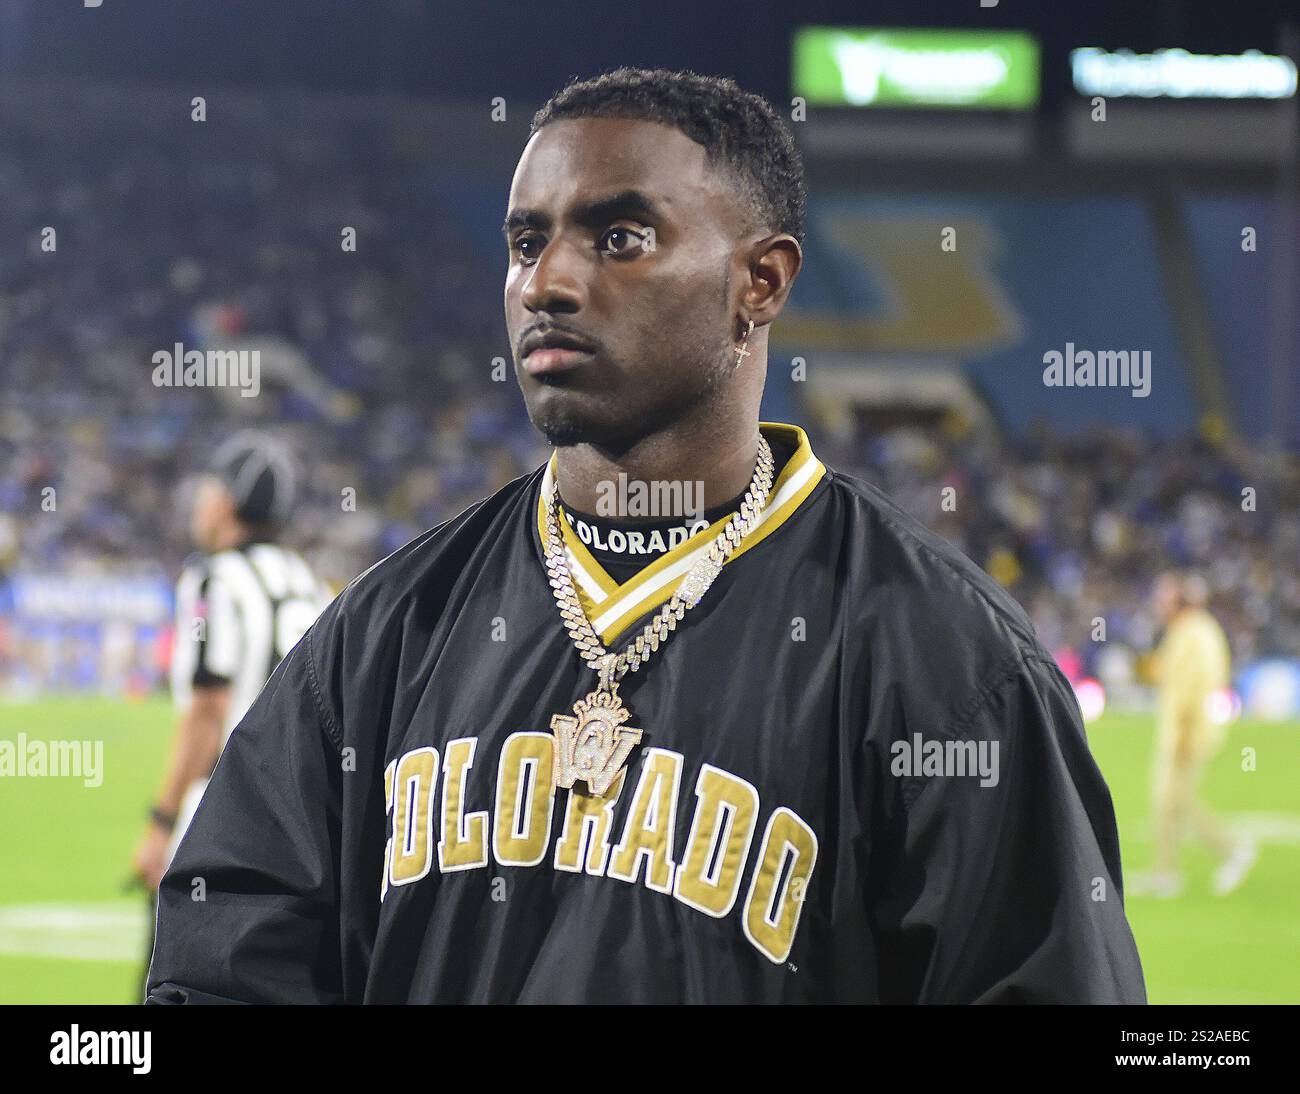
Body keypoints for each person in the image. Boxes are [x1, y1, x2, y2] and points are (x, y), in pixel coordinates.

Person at [146, 68, 1144, 1004]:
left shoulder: (947, 662)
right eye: (527, 242)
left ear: (760, 281)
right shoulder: (383, 633)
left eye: (618, 237)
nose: (547, 282)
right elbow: (224, 964)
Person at [132, 433, 331, 991]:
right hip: (299, 823)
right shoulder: (310, 583)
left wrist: (161, 821)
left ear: (230, 500)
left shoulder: (212, 579)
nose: (199, 501)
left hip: (220, 814)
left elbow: (207, 708)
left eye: (209, 488)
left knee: (175, 984)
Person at [1131, 572, 1256, 898]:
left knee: (1173, 799)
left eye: (1163, 598)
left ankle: (1230, 851)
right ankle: (1166, 871)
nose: (1158, 605)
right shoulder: (1197, 629)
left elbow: (1188, 685)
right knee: (1170, 801)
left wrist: (1181, 734)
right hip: (1191, 726)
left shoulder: (1189, 632)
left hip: (1187, 729)